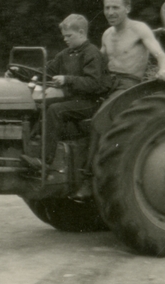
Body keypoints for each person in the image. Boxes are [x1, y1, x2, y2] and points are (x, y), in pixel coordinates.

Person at [31, 14, 109, 175]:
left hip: (90, 102)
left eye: (69, 36)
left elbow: (93, 83)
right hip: (73, 99)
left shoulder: (92, 53)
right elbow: (47, 70)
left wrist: (67, 79)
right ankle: (33, 143)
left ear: (81, 33)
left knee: (55, 110)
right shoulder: (65, 54)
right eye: (64, 36)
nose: (65, 39)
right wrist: (22, 73)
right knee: (38, 104)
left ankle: (44, 161)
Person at [100, 0, 165, 93]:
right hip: (107, 83)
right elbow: (97, 63)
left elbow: (161, 56)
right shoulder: (107, 34)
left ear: (127, 8)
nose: (110, 13)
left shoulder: (139, 29)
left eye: (115, 7)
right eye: (107, 8)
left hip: (128, 86)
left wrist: (164, 70)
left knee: (109, 104)